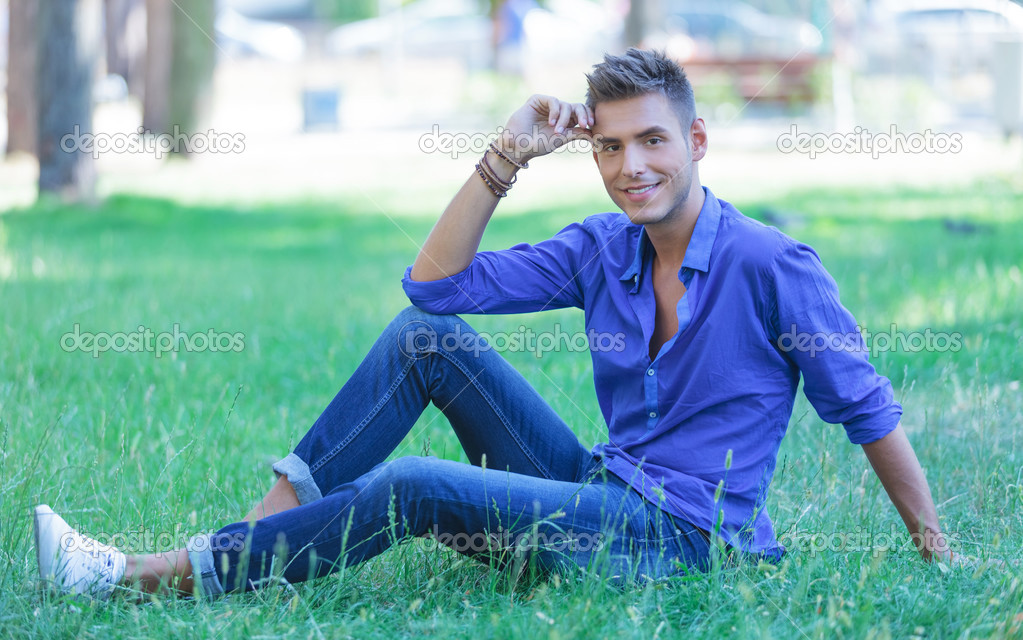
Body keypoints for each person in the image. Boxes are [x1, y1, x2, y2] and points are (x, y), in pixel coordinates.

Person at [34, 48, 953, 600]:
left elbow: (864, 409)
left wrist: (932, 548)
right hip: (601, 489)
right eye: (609, 146)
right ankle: (251, 539)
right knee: (422, 341)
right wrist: (508, 152)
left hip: (681, 540)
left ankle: (140, 577)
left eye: (652, 141)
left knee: (414, 486)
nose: (631, 166)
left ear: (696, 141)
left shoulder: (771, 265)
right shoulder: (604, 247)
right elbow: (435, 290)